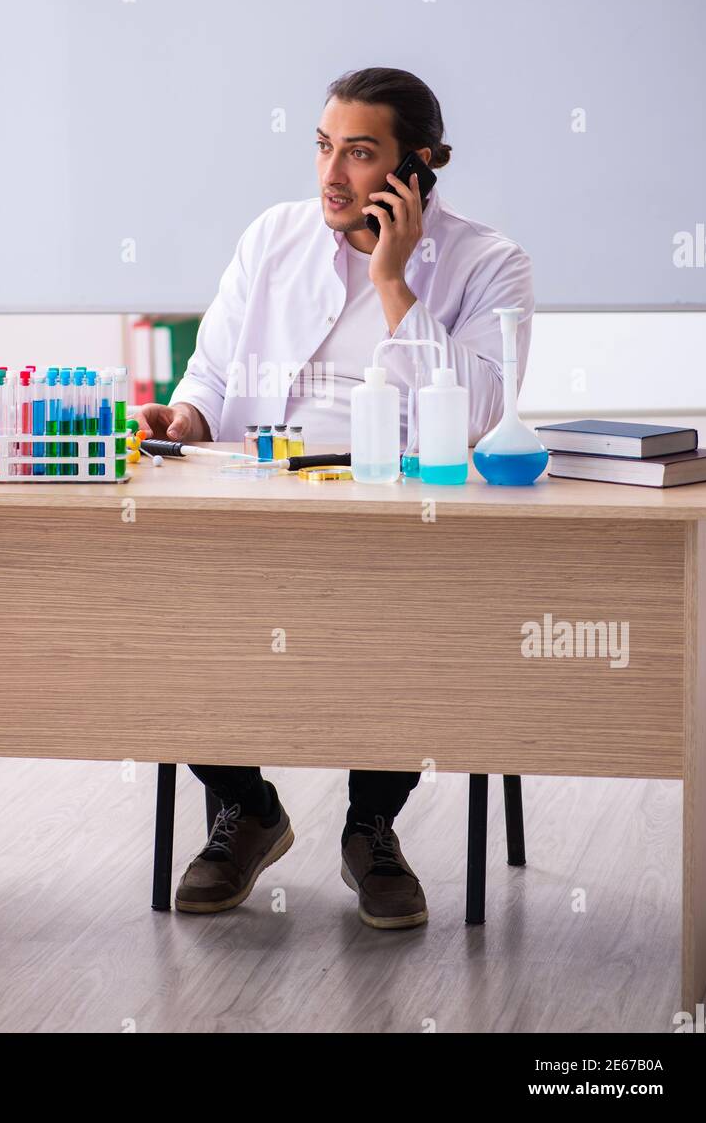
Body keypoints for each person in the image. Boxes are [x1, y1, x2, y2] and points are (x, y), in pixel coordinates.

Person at [135, 66, 534, 929]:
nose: (331, 174)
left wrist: (394, 282)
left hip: (385, 521)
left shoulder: (487, 263)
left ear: (416, 168)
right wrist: (187, 414)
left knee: (398, 604)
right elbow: (209, 371)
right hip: (245, 501)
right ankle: (245, 808)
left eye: (359, 153)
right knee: (158, 604)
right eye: (324, 147)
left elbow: (480, 413)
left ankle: (372, 826)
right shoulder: (272, 236)